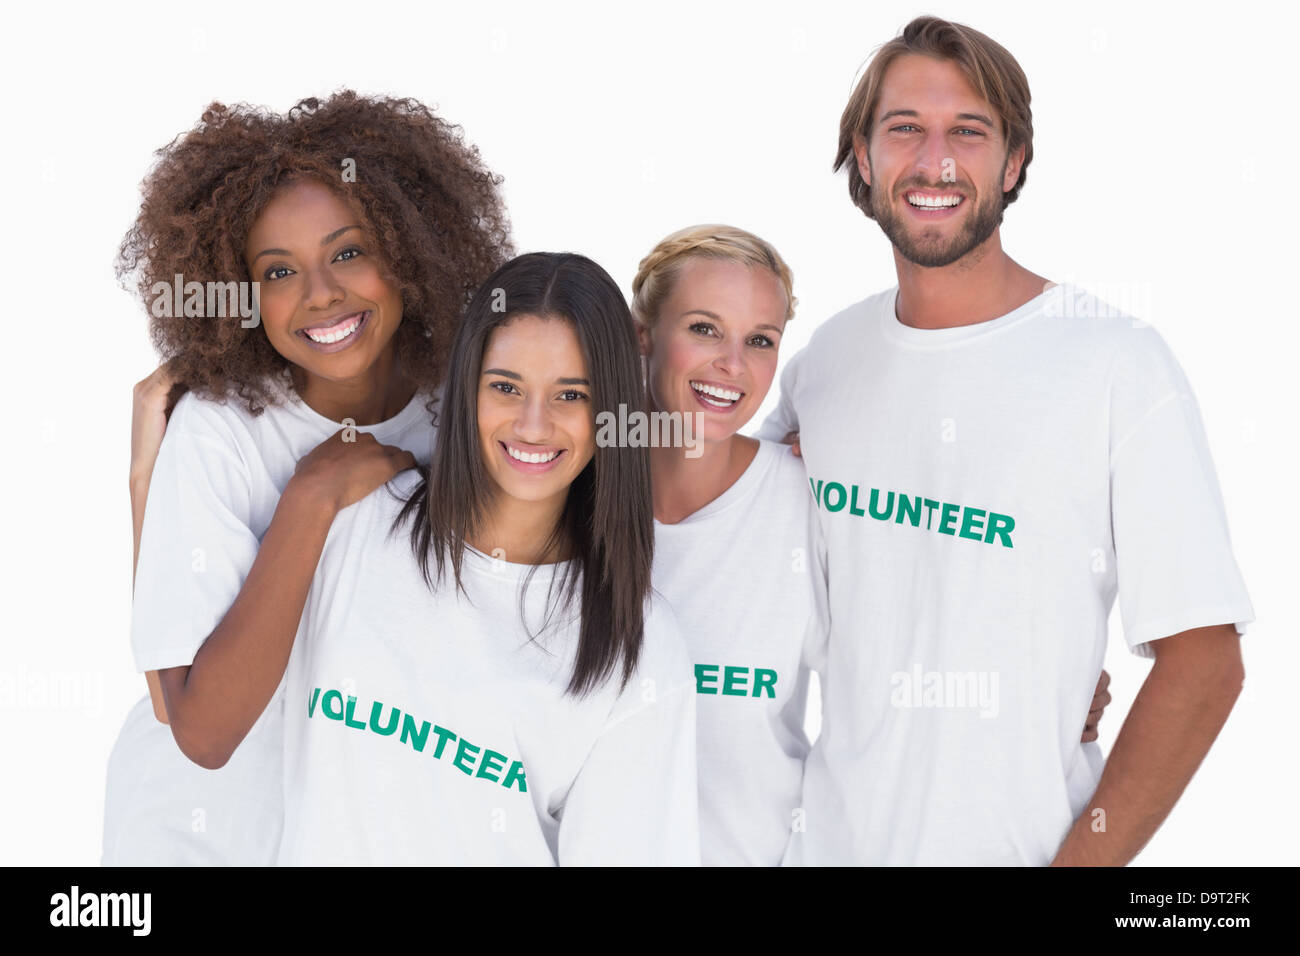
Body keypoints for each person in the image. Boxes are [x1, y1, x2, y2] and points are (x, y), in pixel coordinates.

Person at [760, 15, 1255, 866]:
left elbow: (1204, 664)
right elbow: (725, 545)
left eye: (970, 132)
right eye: (905, 127)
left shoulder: (1116, 364)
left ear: (1014, 161)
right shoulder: (822, 365)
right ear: (865, 155)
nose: (935, 160)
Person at [103, 91, 512, 865]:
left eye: (349, 252)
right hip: (201, 829)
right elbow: (201, 730)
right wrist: (311, 498)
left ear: (412, 247)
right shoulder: (222, 431)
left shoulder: (463, 410)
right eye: (279, 270)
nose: (320, 293)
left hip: (370, 820)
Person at [634, 224, 1113, 865]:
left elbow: (922, 632)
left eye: (760, 341)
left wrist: (1052, 681)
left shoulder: (806, 504)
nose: (732, 364)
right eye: (702, 328)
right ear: (643, 335)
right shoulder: (567, 495)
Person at [266, 252, 700, 864]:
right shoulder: (353, 524)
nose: (532, 424)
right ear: (466, 386)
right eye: (505, 387)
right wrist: (148, 476)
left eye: (570, 395)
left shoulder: (642, 645)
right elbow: (206, 703)